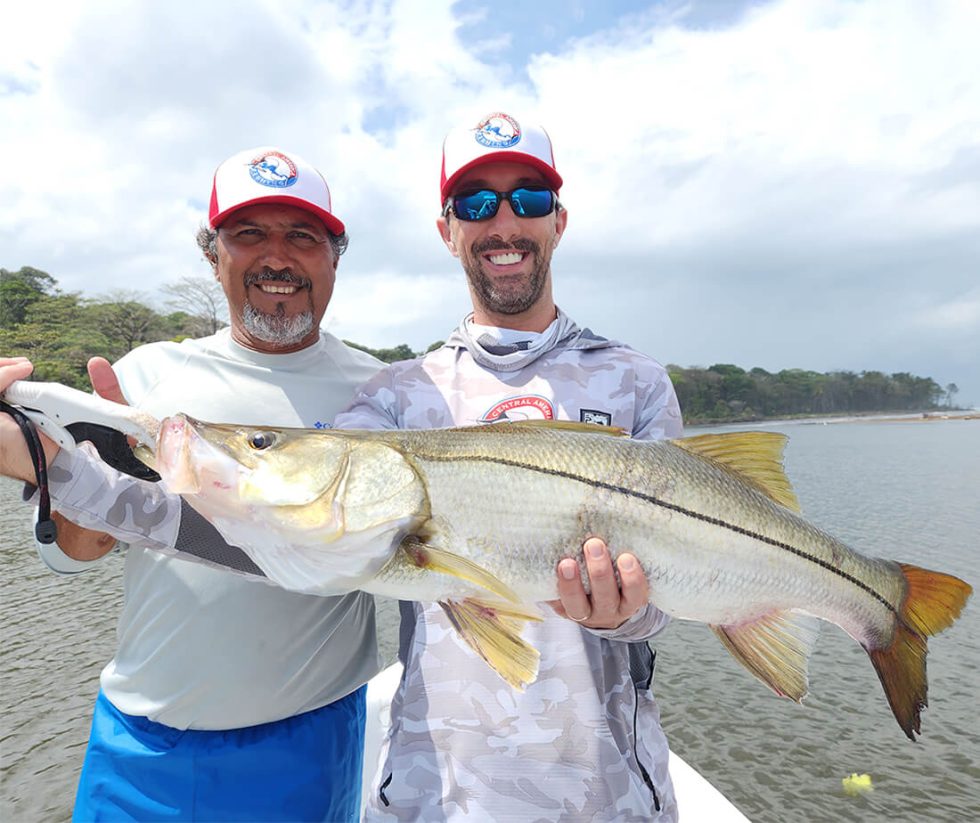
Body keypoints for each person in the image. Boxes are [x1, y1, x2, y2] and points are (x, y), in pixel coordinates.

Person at [0, 146, 384, 822]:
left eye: (302, 235)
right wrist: (83, 476)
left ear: (334, 256)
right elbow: (75, 550)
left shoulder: (380, 393)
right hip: (141, 740)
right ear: (214, 256)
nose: (277, 257)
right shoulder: (148, 377)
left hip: (312, 736)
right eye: (248, 234)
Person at [335, 113, 683, 821]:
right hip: (437, 792)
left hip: (607, 792)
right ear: (447, 231)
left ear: (558, 221)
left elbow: (663, 607)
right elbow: (304, 515)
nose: (503, 223)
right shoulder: (396, 397)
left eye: (526, 199)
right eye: (475, 203)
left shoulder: (637, 382)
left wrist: (625, 613)